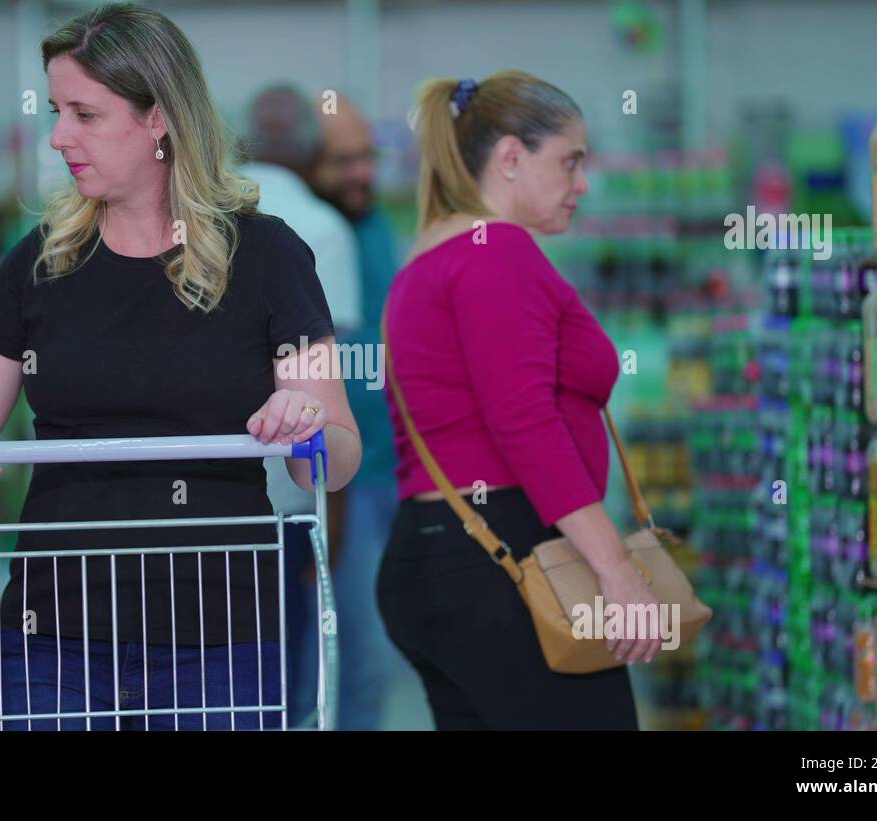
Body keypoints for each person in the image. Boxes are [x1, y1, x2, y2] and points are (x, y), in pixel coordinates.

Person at [0, 2, 361, 731]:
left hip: (222, 641)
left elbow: (334, 458)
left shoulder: (270, 257)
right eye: (57, 110)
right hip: (53, 641)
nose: (57, 137)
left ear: (158, 121)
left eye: (84, 114)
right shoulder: (39, 263)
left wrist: (305, 424)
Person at [376, 72, 658, 731]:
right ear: (510, 156)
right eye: (570, 160)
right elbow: (524, 422)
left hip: (439, 556)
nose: (582, 183)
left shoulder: (425, 258)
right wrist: (615, 567)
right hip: (506, 562)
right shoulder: (495, 250)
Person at [238, 83, 363, 724]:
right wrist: (331, 518)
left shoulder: (196, 221)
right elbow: (329, 392)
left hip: (208, 504)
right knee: (286, 692)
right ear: (316, 156)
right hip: (291, 503)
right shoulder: (323, 229)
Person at [305, 92, 407, 730]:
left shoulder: (374, 228)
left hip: (393, 474)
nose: (361, 172)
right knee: (352, 664)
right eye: (344, 160)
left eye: (367, 156)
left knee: (381, 662)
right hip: (335, 486)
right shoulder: (299, 236)